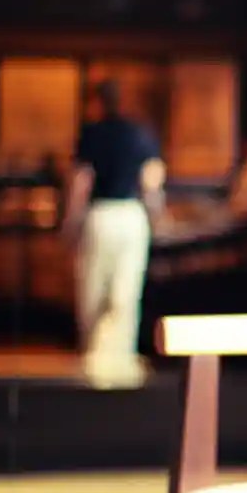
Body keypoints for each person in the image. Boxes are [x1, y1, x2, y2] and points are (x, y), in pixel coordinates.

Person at [62, 80, 165, 388]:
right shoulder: (140, 134)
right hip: (132, 216)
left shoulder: (92, 134)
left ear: (97, 102)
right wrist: (157, 219)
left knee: (94, 286)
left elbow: (81, 183)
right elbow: (152, 183)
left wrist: (70, 225)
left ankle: (93, 355)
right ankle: (119, 356)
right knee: (126, 289)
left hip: (101, 215)